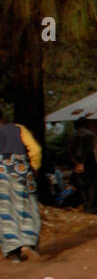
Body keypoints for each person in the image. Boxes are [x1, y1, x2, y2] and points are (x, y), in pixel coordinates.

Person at [0, 109, 42, 262]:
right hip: (22, 172)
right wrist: (35, 166)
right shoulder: (19, 129)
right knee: (28, 208)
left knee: (5, 213)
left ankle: (13, 252)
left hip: (1, 176)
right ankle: (29, 242)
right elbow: (35, 150)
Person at [69, 118, 97, 214]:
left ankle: (86, 206)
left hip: (77, 164)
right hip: (88, 163)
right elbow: (88, 150)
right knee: (92, 185)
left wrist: (76, 164)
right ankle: (91, 207)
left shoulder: (72, 136)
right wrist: (82, 163)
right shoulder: (89, 135)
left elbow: (70, 152)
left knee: (82, 186)